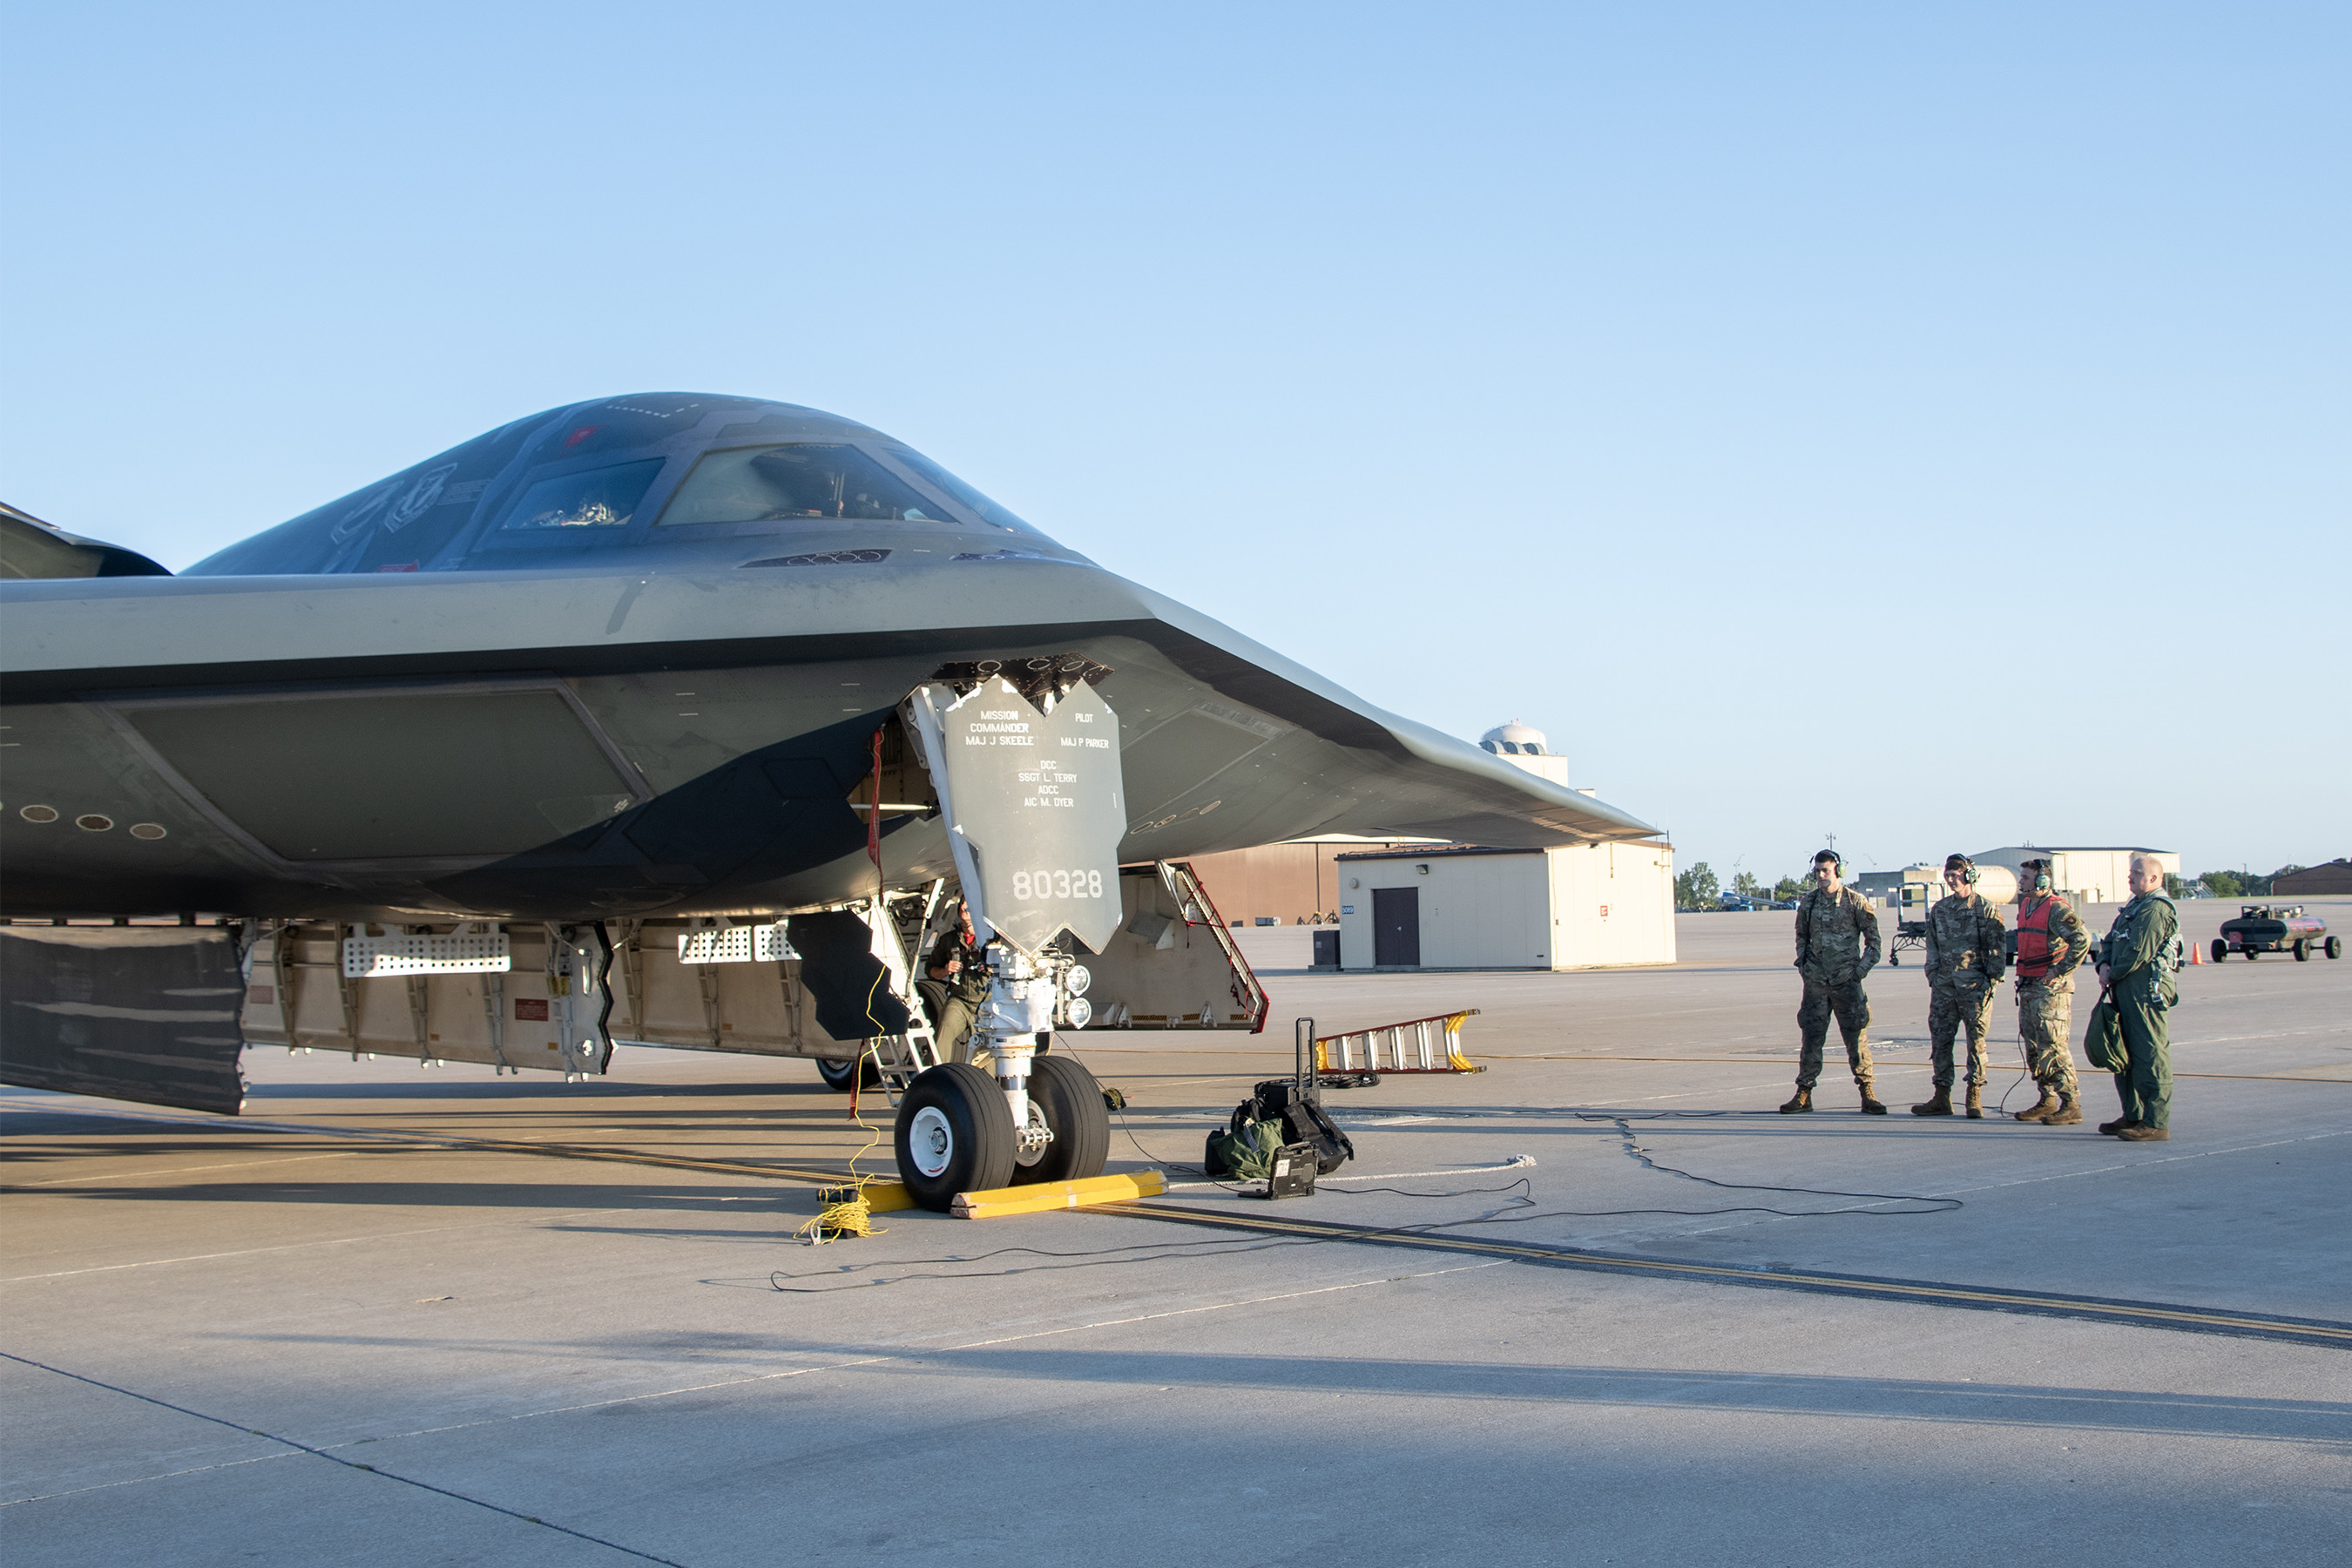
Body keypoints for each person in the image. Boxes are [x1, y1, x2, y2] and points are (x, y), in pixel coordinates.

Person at [1781, 849, 1885, 1114]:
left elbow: (1874, 944)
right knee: (1811, 1039)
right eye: (1817, 871)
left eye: (1825, 870)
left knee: (1856, 1040)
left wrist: (1858, 972)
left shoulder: (1856, 902)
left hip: (1846, 983)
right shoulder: (1809, 903)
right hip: (1816, 983)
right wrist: (1804, 966)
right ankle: (1804, 1094)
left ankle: (1867, 1092)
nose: (1820, 876)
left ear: (1838, 870)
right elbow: (1801, 937)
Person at [1915, 853, 2008, 1119]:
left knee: (1976, 1042)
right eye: (1948, 876)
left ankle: (1974, 1096)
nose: (1951, 880)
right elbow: (1931, 943)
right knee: (1941, 1040)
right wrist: (1932, 972)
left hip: (1974, 988)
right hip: (1944, 987)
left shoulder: (1986, 910)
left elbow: (1997, 951)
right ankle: (1942, 1096)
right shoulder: (1940, 910)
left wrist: (1991, 982)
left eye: (1956, 875)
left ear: (1969, 876)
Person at [2098, 854, 2180, 1142]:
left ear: (2154, 878)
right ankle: (2132, 1115)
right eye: (2130, 872)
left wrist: (2112, 972)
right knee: (2124, 1054)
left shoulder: (2156, 909)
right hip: (2124, 986)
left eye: (2136, 873)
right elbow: (2109, 940)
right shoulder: (2134, 906)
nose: (2129, 877)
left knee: (2150, 1053)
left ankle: (2156, 1121)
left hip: (2145, 991)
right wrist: (2103, 965)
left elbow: (2138, 951)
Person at [2011, 857, 2092, 1125]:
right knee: (2034, 1046)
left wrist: (2059, 970)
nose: (2021, 881)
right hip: (2029, 986)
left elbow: (2082, 939)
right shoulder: (2026, 906)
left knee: (2053, 1047)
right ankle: (2047, 1099)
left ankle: (2071, 1103)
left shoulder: (2056, 908)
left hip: (2050, 991)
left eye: (2026, 877)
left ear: (2042, 881)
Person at [924, 902, 991, 1065]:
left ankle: (989, 1084)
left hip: (985, 1002)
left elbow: (1008, 967)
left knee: (988, 1049)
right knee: (944, 1031)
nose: (964, 908)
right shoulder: (949, 940)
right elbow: (930, 970)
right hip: (959, 1000)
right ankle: (939, 1077)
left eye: (968, 906)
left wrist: (991, 968)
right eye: (962, 905)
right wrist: (946, 970)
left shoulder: (990, 940)